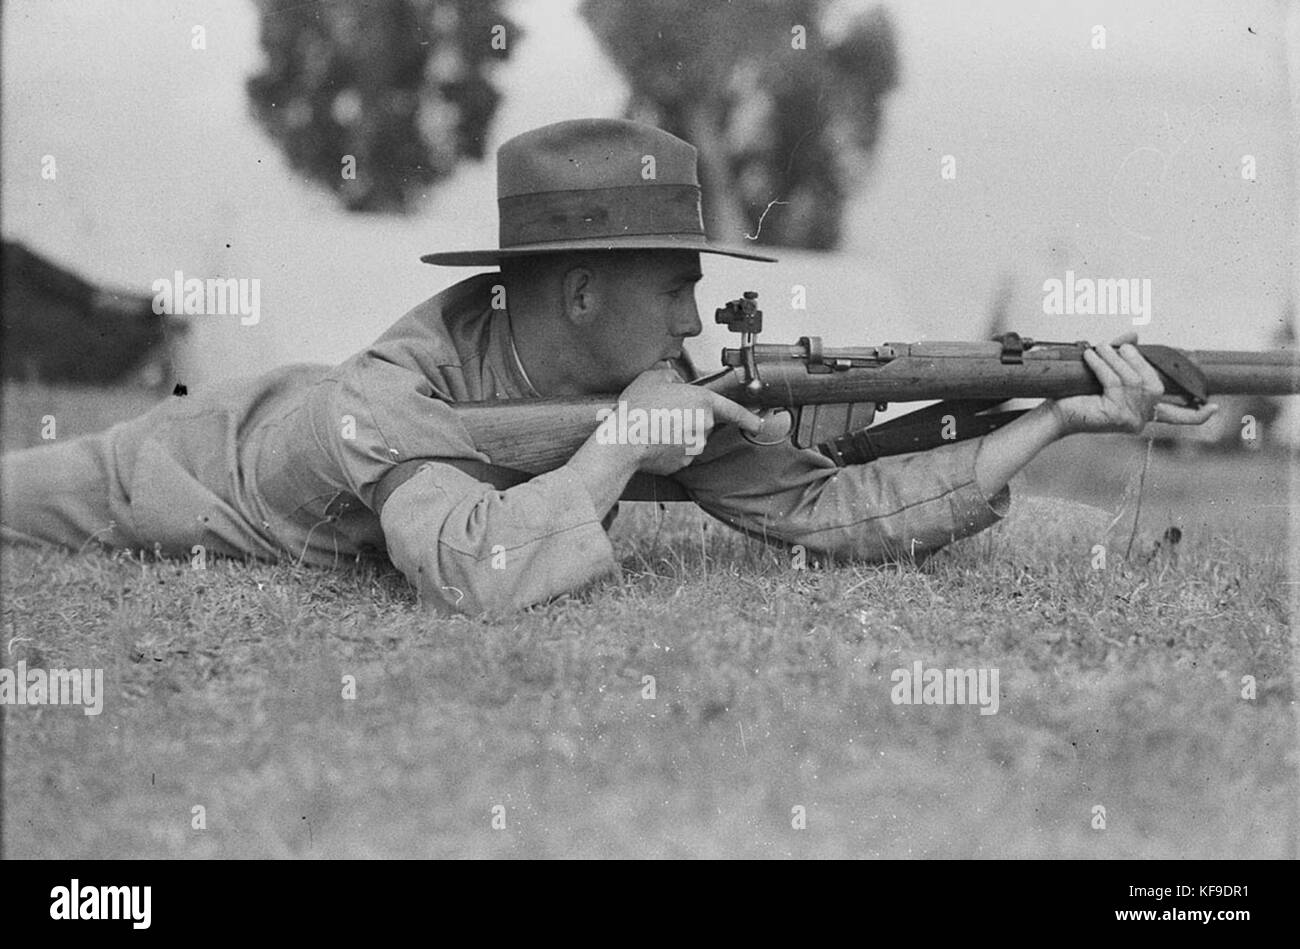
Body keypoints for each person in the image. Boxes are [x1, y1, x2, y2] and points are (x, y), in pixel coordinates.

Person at [0, 119, 1218, 614]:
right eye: (675, 282)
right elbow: (477, 575)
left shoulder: (657, 382)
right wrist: (619, 450)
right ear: (581, 292)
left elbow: (825, 510)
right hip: (164, 472)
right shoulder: (389, 393)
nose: (698, 309)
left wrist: (1053, 421)